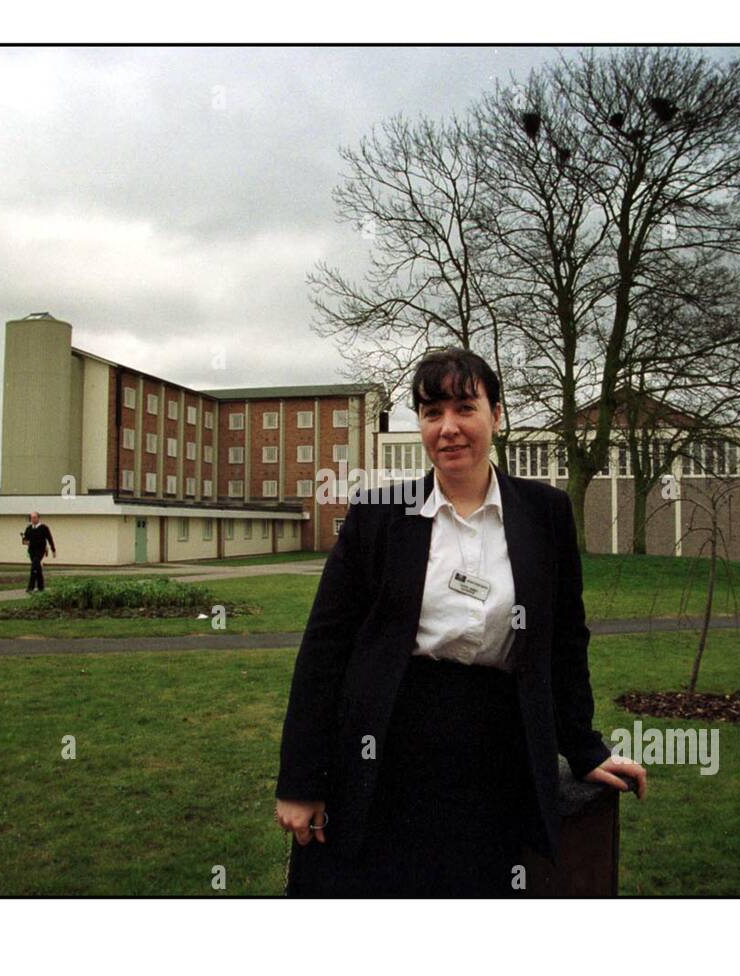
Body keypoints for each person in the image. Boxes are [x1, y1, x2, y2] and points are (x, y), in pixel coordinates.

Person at [275, 346, 647, 897]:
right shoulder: (379, 516)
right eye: (431, 413)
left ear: (496, 414)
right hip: (386, 745)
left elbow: (565, 640)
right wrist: (302, 782)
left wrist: (584, 748)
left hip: (492, 754)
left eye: (464, 408)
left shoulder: (544, 514)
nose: (448, 428)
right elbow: (324, 651)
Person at [21, 511, 57, 592]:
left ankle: (31, 587)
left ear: (38, 518)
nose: (32, 519)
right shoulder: (29, 528)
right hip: (31, 551)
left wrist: (53, 550)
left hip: (40, 550)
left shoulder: (44, 528)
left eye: (34, 517)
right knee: (37, 568)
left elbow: (50, 539)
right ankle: (41, 587)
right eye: (31, 518)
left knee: (34, 567)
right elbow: (25, 540)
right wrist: (25, 541)